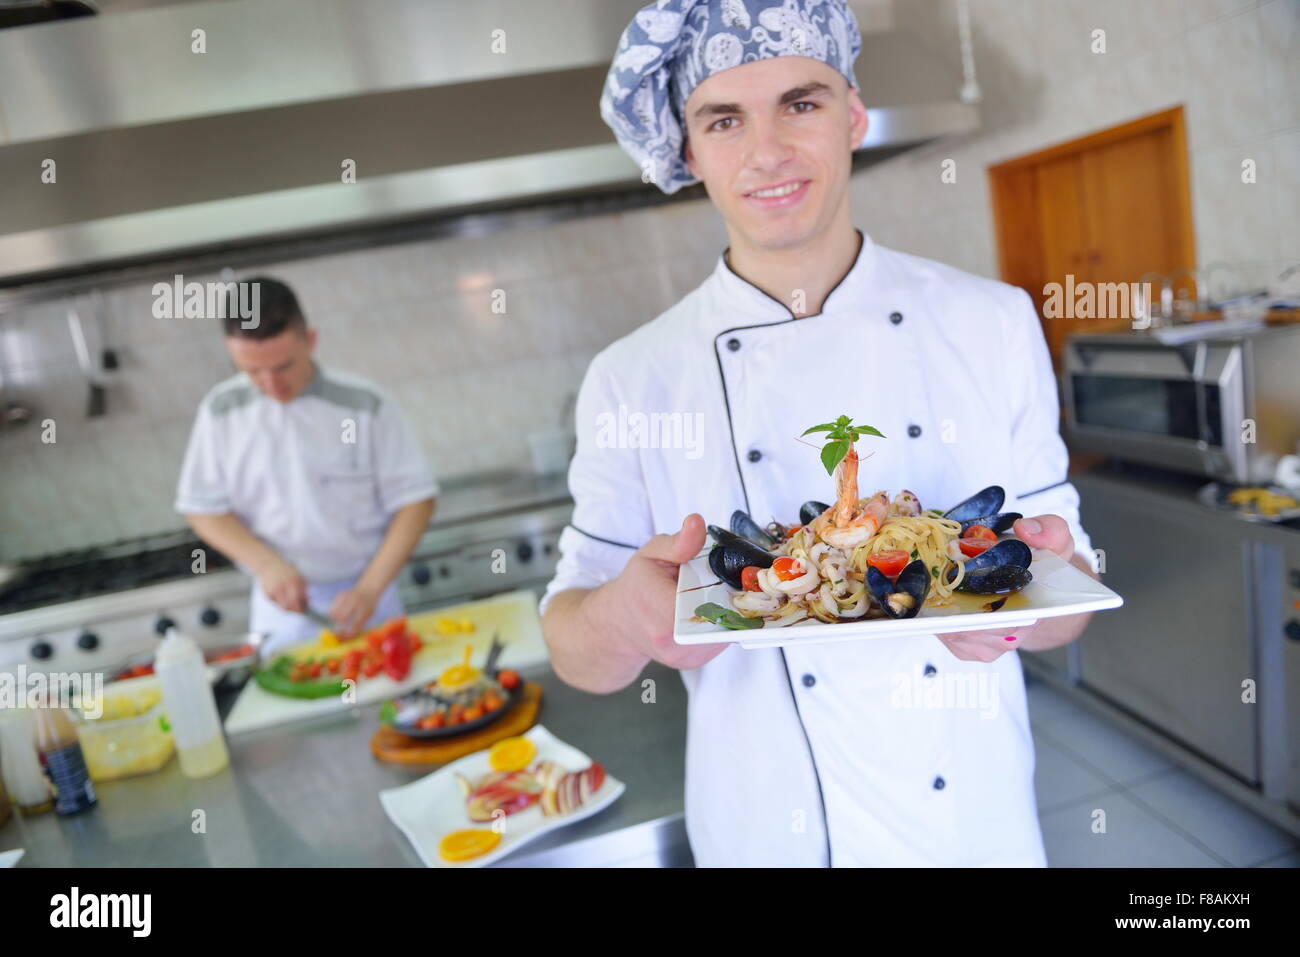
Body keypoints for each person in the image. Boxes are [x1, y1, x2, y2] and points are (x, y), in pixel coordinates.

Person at [540, 0, 1101, 867]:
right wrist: (621, 617)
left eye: (800, 102)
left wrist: (1028, 599)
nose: (766, 151)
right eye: (723, 119)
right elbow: (577, 652)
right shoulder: (633, 376)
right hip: (767, 835)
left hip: (972, 828)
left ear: (854, 115)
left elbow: (1070, 607)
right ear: (689, 151)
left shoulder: (992, 321)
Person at [175, 277, 437, 653]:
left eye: (283, 367)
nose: (271, 384)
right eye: (252, 371)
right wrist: (266, 566)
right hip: (280, 607)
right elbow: (202, 508)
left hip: (369, 594)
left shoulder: (364, 404)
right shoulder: (220, 411)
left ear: (310, 341)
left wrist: (369, 588)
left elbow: (416, 502)